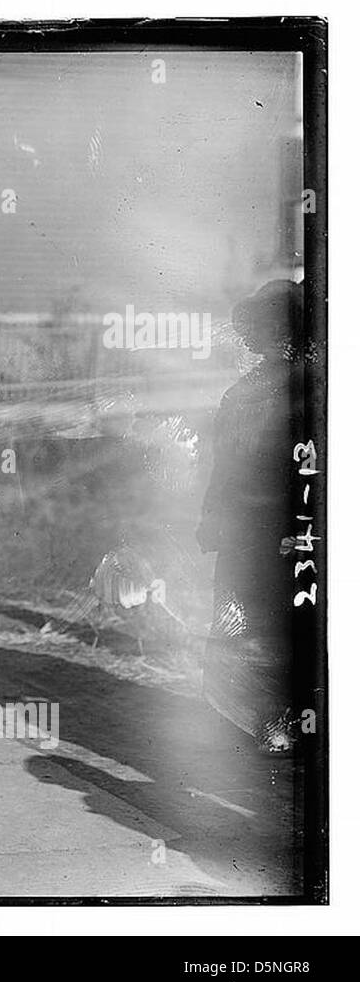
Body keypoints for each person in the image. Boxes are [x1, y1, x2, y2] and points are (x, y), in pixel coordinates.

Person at [197, 279, 309, 753]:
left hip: (291, 525)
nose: (267, 339)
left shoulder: (311, 387)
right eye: (261, 329)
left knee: (289, 626)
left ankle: (290, 720)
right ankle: (263, 722)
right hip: (249, 529)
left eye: (276, 328)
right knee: (245, 625)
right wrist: (212, 518)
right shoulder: (241, 394)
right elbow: (223, 465)